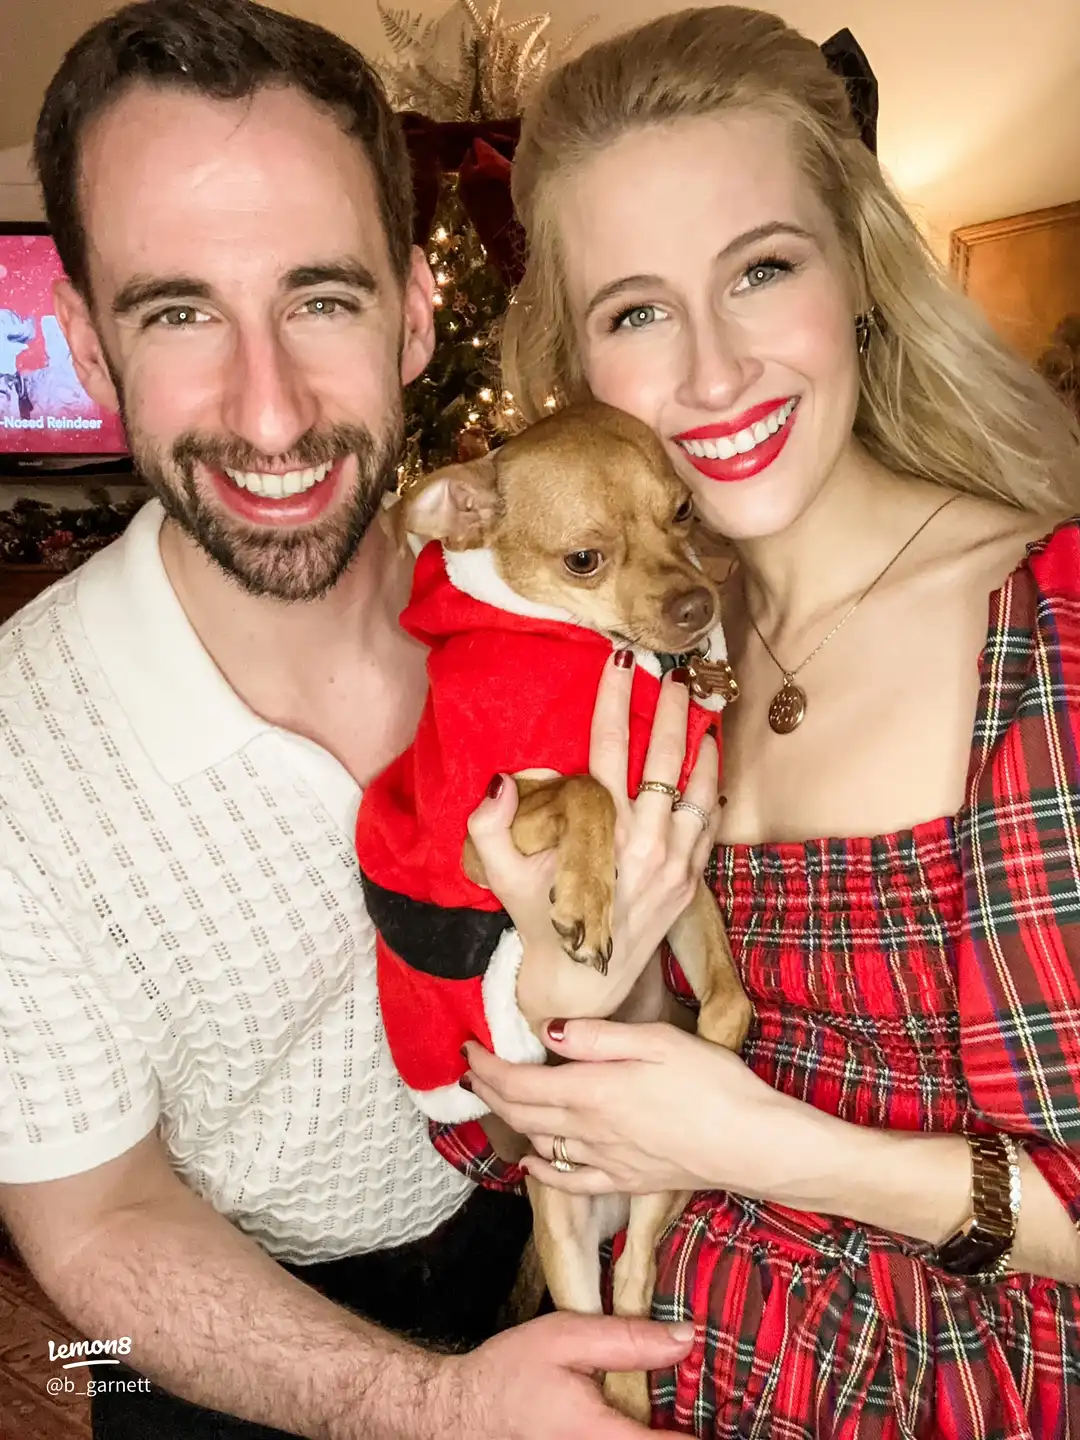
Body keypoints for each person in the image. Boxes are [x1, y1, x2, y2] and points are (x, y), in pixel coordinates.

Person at [0, 2, 706, 1436]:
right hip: (227, 1341)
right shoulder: (23, 758)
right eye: (179, 308)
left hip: (548, 1260)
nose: (268, 414)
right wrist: (440, 1409)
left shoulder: (565, 599)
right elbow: (94, 1222)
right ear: (83, 341)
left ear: (417, 310)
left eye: (321, 298)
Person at [452, 6, 1080, 1436]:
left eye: (762, 270)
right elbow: (504, 1135)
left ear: (856, 271)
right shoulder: (610, 659)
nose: (715, 373)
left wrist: (766, 1145)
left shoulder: (1046, 629)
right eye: (636, 311)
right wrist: (556, 990)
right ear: (578, 363)